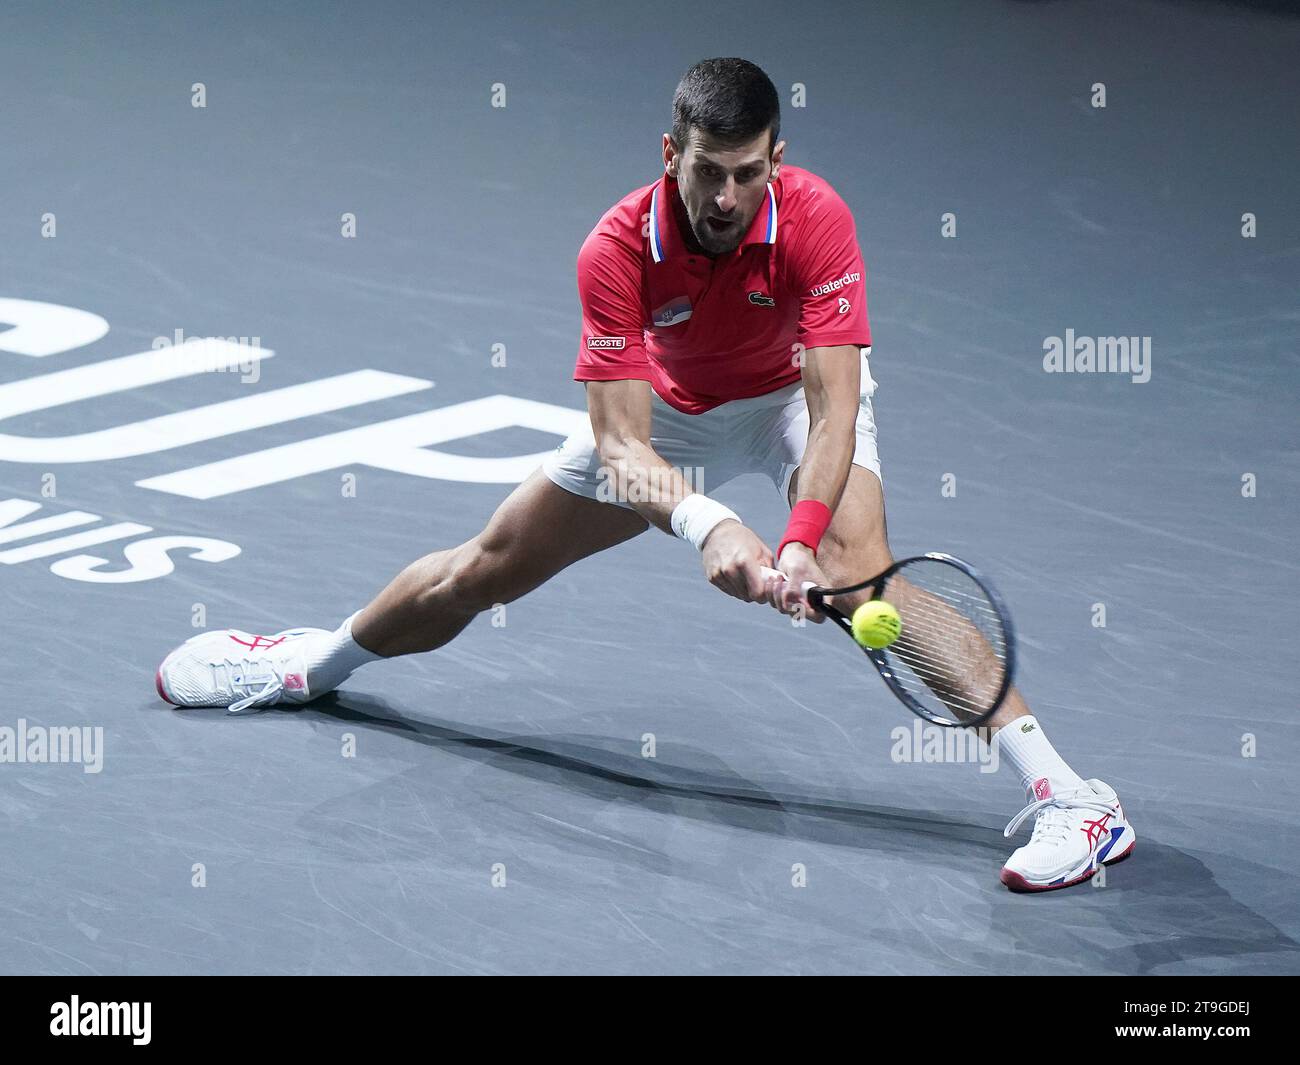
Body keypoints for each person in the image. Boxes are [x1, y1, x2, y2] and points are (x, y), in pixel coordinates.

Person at [155, 58, 1135, 892]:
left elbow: (835, 408)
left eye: (746, 174)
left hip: (789, 403)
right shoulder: (615, 249)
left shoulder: (817, 219)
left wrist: (797, 542)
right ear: (671, 153)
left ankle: (1073, 799)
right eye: (708, 172)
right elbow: (625, 448)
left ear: (776, 162)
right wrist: (712, 526)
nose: (725, 199)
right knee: (486, 569)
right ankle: (305, 665)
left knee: (861, 577)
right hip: (665, 416)